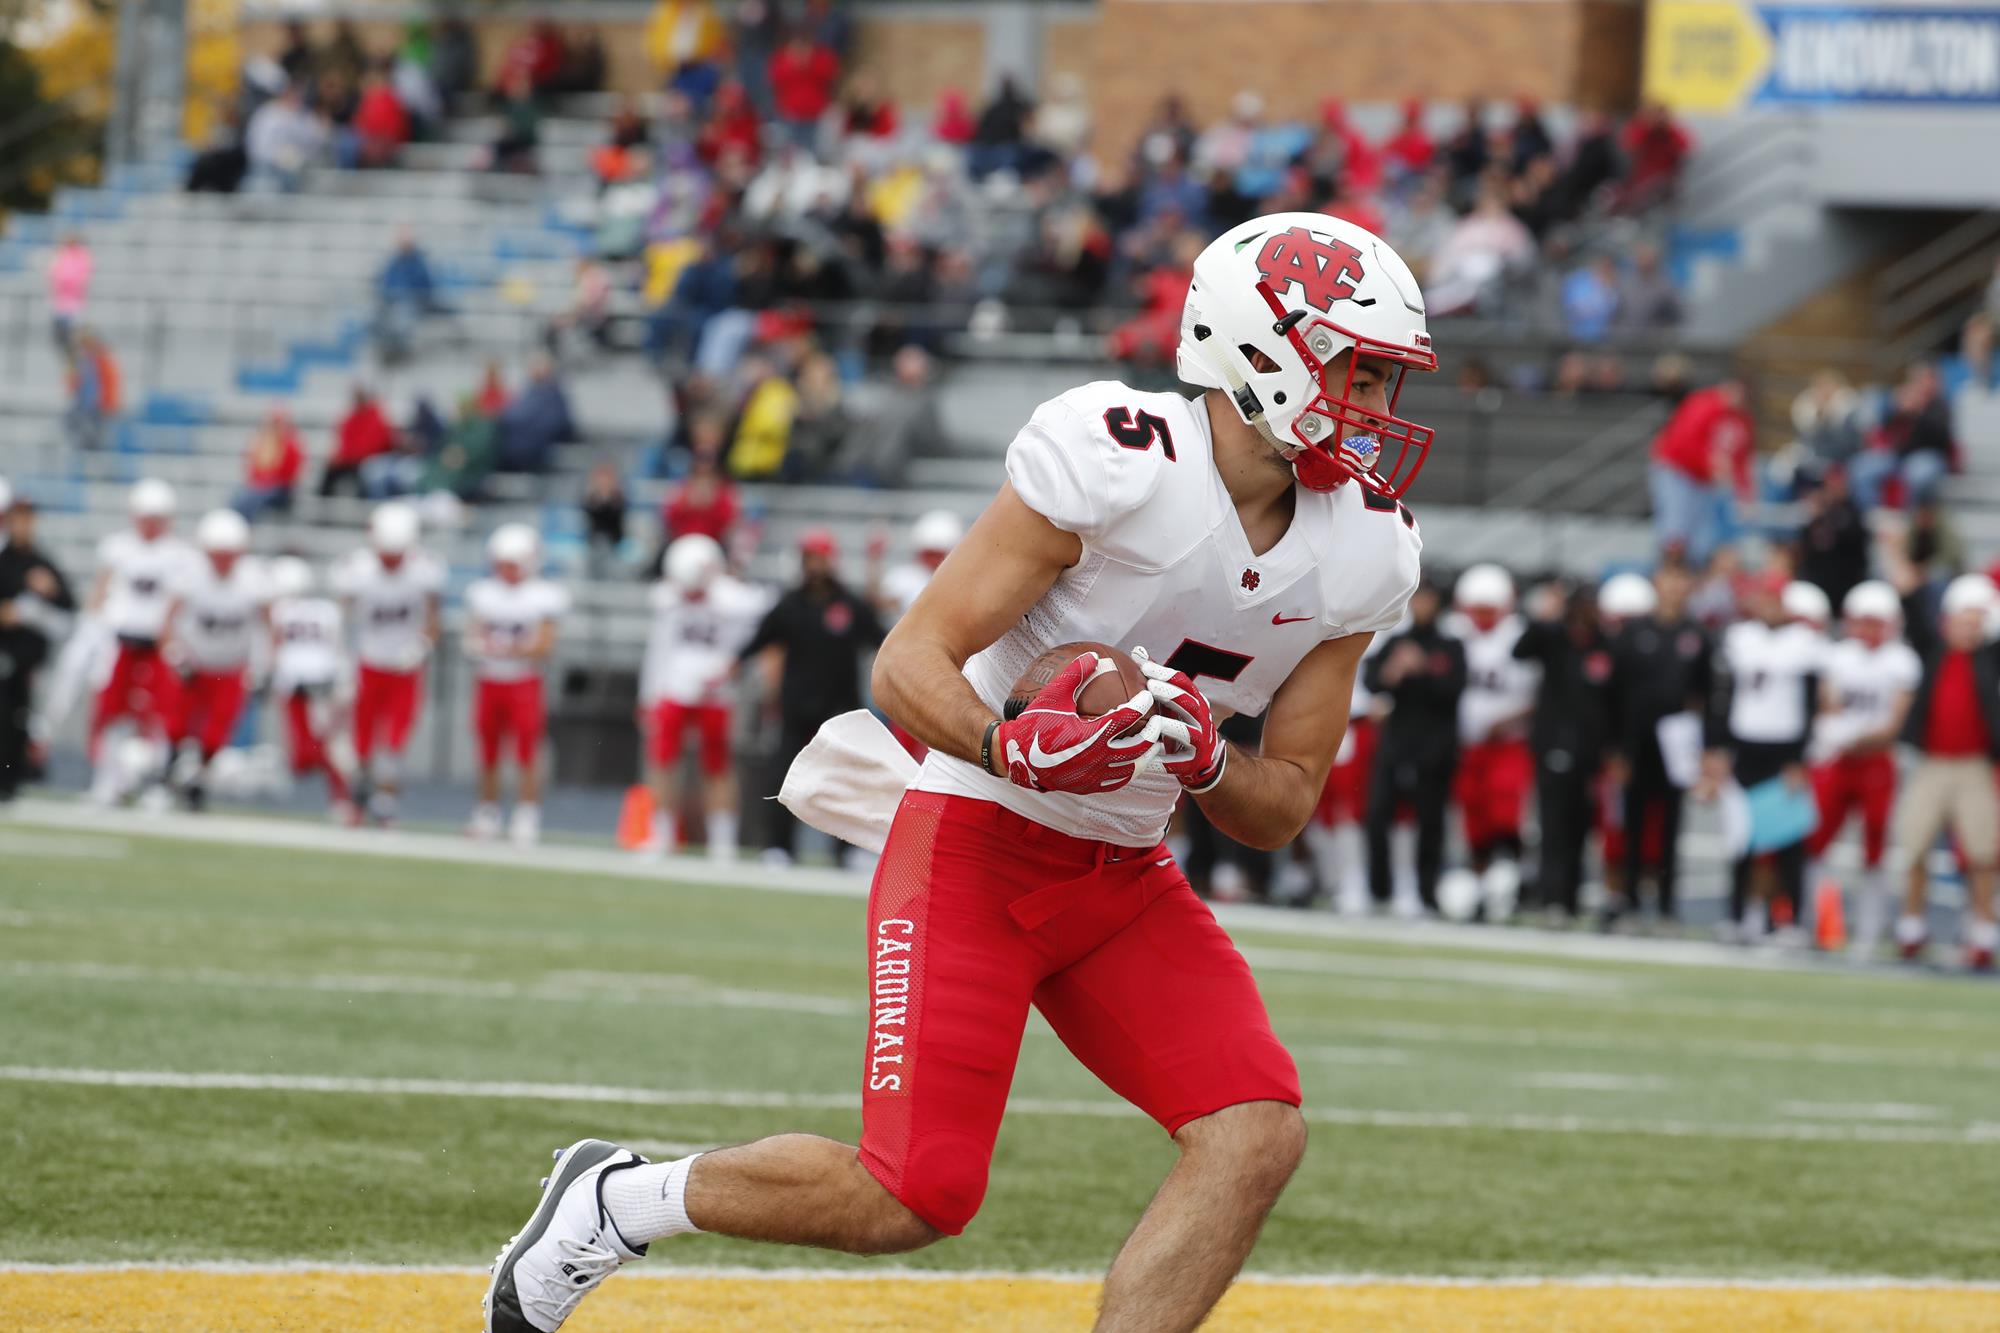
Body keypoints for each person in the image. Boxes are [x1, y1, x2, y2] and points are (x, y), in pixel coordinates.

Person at [482, 210, 1433, 1333]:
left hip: (1122, 874)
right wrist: (1005, 740)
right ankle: (617, 1199)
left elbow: (1280, 806)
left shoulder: (1367, 547)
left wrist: (1202, 756)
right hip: (975, 837)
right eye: (1357, 371)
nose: (1376, 409)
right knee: (912, 1191)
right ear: (1263, 350)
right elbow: (909, 659)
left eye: (1382, 378)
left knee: (1255, 1129)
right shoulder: (1120, 457)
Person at [1881, 540, 2000, 969]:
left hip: (1973, 765)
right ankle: (1911, 928)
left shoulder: (1990, 659)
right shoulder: (1933, 651)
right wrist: (1899, 564)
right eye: (1960, 619)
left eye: (1975, 620)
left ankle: (1983, 933)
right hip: (1931, 763)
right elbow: (1912, 608)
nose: (1966, 627)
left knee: (1982, 855)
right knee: (1914, 846)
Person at [735, 529, 885, 865]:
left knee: (843, 781)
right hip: (795, 707)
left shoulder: (850, 605)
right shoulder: (789, 604)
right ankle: (779, 847)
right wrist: (733, 663)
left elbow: (881, 641)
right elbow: (759, 640)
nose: (814, 565)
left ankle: (846, 851)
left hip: (838, 708)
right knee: (784, 775)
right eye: (809, 558)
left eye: (820, 558)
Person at [1706, 573, 1824, 942]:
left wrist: (1799, 757)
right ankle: (1740, 915)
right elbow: (1722, 696)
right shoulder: (1741, 637)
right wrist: (1719, 748)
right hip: (1747, 745)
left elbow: (1810, 703)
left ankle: (1787, 919)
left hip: (1783, 748)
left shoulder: (1804, 642)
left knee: (1788, 839)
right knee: (1742, 836)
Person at [637, 534, 769, 861]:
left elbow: (762, 616)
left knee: (718, 766)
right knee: (663, 763)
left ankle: (722, 841)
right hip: (674, 689)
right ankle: (662, 833)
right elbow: (660, 648)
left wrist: (732, 669)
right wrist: (649, 694)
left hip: (717, 693)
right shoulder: (669, 597)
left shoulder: (735, 598)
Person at [1807, 581, 1920, 957]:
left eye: (1876, 622)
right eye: (1863, 622)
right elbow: (1829, 704)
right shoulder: (1839, 656)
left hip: (1875, 761)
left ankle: (1869, 930)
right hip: (1839, 759)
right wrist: (1841, 734)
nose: (1869, 630)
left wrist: (1855, 736)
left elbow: (1894, 723)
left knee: (1874, 845)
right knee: (1817, 840)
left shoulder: (1901, 660)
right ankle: (1821, 922)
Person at [1602, 562, 1711, 923]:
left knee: (1670, 824)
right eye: (1668, 579)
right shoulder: (1634, 632)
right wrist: (1617, 748)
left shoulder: (1696, 634)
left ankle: (1666, 903)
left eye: (1680, 580)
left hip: (1677, 744)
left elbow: (1704, 694)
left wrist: (1704, 749)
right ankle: (1631, 899)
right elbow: (1615, 693)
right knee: (1632, 822)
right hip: (1637, 740)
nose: (1674, 587)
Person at [85, 480, 201, 804]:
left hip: (156, 647)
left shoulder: (179, 555)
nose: (150, 525)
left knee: (158, 721)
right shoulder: (119, 547)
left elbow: (178, 607)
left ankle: (155, 786)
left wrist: (175, 646)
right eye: (146, 517)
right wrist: (95, 633)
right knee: (110, 716)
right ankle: (108, 781)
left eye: (157, 518)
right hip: (120, 644)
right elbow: (99, 595)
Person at [331, 502, 443, 827]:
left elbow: (434, 618)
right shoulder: (357, 569)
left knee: (395, 741)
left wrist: (422, 646)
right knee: (362, 740)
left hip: (406, 667)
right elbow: (342, 616)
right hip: (368, 662)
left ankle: (387, 802)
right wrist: (341, 658)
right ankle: (359, 800)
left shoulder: (425, 569)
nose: (390, 559)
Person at [1514, 582, 1613, 919]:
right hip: (1553, 742)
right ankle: (1552, 896)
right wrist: (1543, 618)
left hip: (1590, 749)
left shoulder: (1605, 645)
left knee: (1580, 825)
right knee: (1553, 823)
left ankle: (1569, 897)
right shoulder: (1554, 638)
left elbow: (1614, 700)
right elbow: (1520, 651)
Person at [1365, 579, 1465, 914]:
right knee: (1378, 815)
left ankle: (1426, 893)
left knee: (1430, 822)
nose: (1421, 606)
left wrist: (1421, 670)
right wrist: (1394, 671)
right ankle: (1379, 890)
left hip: (1434, 746)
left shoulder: (1450, 645)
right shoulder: (1397, 641)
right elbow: (1372, 681)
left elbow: (1453, 689)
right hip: (1397, 741)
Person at [466, 524, 568, 846]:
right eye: (503, 564)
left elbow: (546, 645)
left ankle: (526, 815)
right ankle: (487, 813)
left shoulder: (543, 595)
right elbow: (473, 635)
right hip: (489, 679)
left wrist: (511, 649)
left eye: (513, 564)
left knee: (526, 752)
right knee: (488, 752)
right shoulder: (483, 592)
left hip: (524, 680)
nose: (507, 571)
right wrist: (480, 645)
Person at [1447, 564, 1538, 920]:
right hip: (1467, 744)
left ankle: (1513, 876)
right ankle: (1483, 882)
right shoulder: (1454, 633)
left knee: (1505, 811)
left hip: (1509, 743)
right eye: (1476, 610)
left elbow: (1538, 694)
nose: (1481, 619)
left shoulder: (1519, 636)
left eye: (1488, 611)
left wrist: (1510, 720)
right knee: (1473, 814)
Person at [158, 510, 266, 810]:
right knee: (177, 726)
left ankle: (198, 782)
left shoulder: (253, 579)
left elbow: (268, 626)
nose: (223, 561)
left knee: (216, 734)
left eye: (229, 555)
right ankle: (166, 777)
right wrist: (176, 655)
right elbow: (167, 621)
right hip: (194, 663)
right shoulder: (190, 575)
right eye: (218, 554)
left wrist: (264, 665)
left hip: (231, 668)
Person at [0, 484, 76, 801]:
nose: (25, 524)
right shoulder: (4, 561)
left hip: (32, 657)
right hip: (4, 651)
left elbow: (71, 605)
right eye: (19, 518)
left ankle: (14, 778)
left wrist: (50, 592)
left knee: (22, 717)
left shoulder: (42, 561)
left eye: (29, 518)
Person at [267, 556, 356, 822]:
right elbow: (337, 648)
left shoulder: (281, 611)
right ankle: (344, 796)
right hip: (319, 685)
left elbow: (274, 648)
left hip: (309, 688)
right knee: (315, 752)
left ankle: (345, 797)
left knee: (317, 751)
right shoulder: (325, 610)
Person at [1648, 377, 1753, 566]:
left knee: (1701, 539)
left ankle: (1692, 578)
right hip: (1678, 471)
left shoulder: (1742, 421)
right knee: (1675, 531)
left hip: (1705, 482)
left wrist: (1744, 494)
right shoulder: (1703, 404)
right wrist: (1710, 462)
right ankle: (1667, 574)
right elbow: (1683, 443)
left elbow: (1742, 460)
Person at [874, 510, 962, 624]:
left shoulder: (959, 580)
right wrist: (875, 561)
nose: (933, 560)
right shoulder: (903, 577)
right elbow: (878, 604)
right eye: (929, 554)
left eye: (937, 554)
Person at [322, 386, 398, 497]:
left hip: (368, 460)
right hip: (351, 460)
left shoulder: (376, 418)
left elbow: (374, 444)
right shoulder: (351, 418)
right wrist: (342, 457)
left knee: (367, 473)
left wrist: (351, 456)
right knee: (330, 470)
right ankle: (324, 504)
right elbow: (344, 441)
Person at [234, 409, 306, 520]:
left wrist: (269, 479)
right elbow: (253, 471)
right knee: (240, 496)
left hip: (281, 490)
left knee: (255, 497)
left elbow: (289, 476)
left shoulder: (290, 446)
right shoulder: (261, 444)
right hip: (262, 486)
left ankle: (246, 523)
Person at [580, 462, 628, 578]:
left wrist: (608, 499)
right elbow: (592, 518)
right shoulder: (590, 499)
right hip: (594, 540)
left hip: (616, 540)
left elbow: (615, 518)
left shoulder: (619, 499)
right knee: (600, 544)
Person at [47, 233, 91, 353]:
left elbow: (82, 276)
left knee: (75, 329)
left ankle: (76, 350)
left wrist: (70, 283)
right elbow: (54, 274)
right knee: (61, 329)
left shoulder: (82, 256)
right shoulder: (60, 255)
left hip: (75, 300)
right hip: (61, 300)